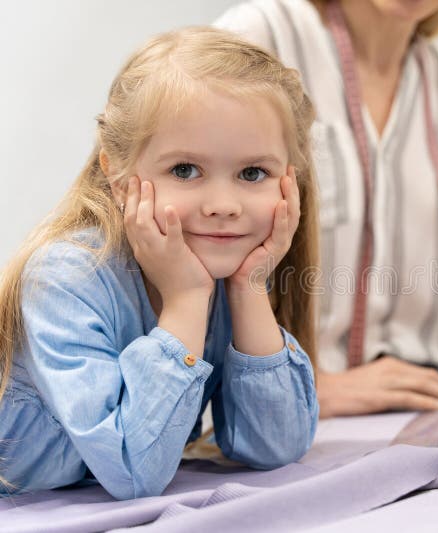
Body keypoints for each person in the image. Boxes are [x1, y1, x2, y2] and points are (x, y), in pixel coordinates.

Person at [0, 27, 320, 500]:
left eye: (253, 173)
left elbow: (274, 448)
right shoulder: (66, 277)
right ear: (118, 173)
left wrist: (250, 288)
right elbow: (133, 468)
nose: (223, 204)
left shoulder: (224, 266)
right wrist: (187, 299)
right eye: (185, 170)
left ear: (289, 182)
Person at [215, 0, 438, 418]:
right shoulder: (260, 38)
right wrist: (310, 387)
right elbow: (188, 242)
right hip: (279, 421)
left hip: (433, 403)